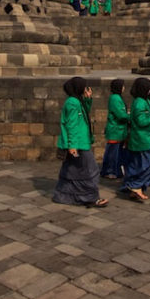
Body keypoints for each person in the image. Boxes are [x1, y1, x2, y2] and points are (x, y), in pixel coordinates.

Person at [53, 77, 108, 207]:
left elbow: (83, 115)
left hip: (79, 143)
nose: (85, 89)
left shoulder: (76, 100)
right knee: (91, 170)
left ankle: (63, 196)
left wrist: (87, 100)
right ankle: (91, 198)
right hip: (78, 144)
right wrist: (72, 145)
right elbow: (72, 125)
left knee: (72, 172)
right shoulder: (73, 102)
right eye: (84, 87)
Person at [123, 77, 150, 201]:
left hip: (144, 138)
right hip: (143, 139)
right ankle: (136, 185)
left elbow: (146, 115)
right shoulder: (140, 103)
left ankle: (134, 186)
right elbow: (142, 121)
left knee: (137, 164)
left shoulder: (142, 101)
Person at [100, 79, 129, 179]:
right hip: (115, 130)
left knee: (117, 152)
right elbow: (121, 115)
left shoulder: (117, 98)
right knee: (113, 153)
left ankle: (115, 170)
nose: (124, 88)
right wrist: (131, 116)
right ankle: (110, 171)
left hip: (118, 130)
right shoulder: (115, 98)